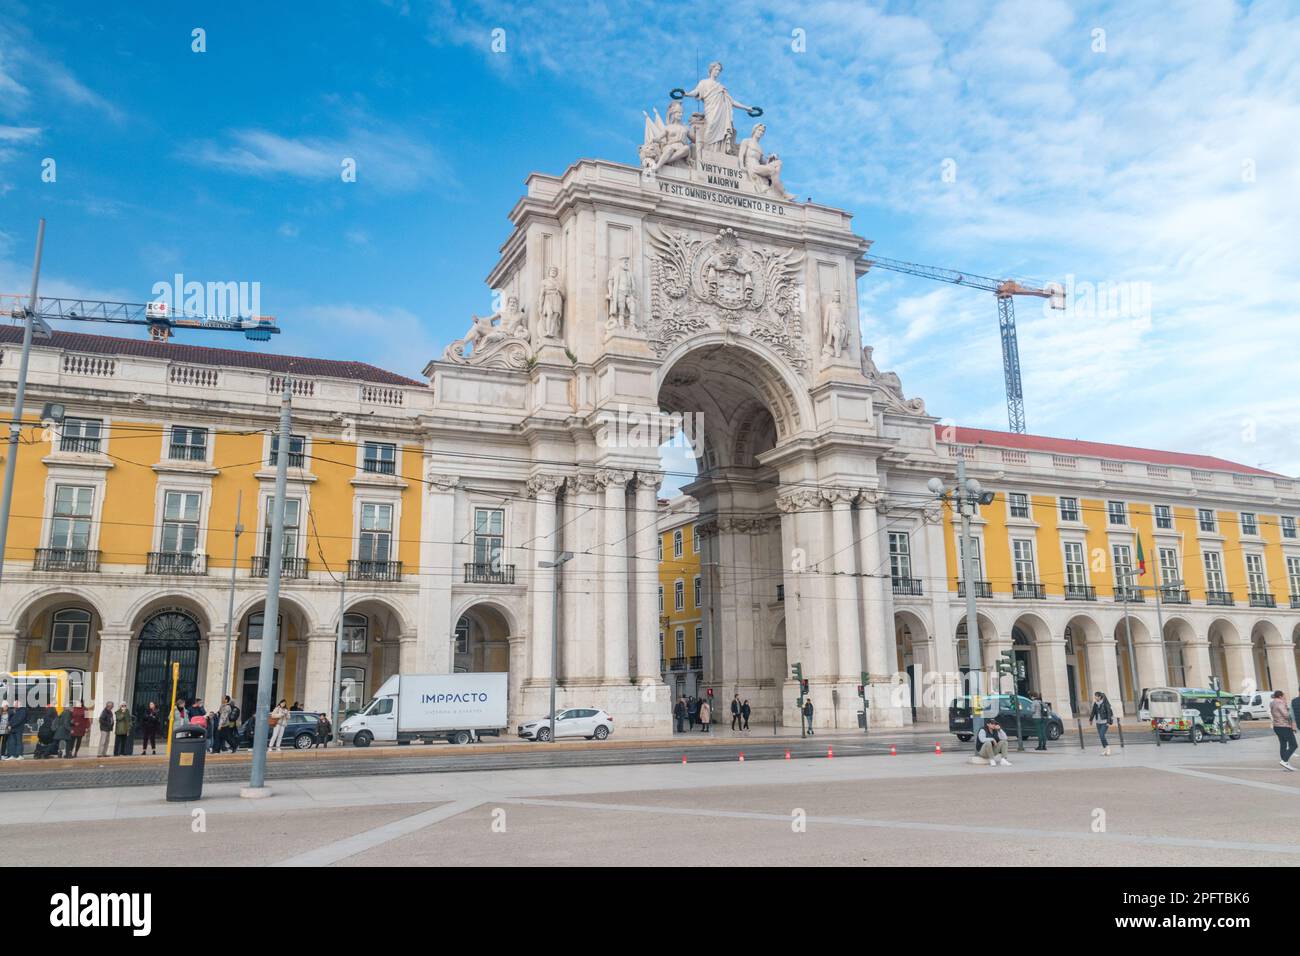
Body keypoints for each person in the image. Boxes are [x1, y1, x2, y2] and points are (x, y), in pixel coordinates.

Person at [1269, 690, 1296, 771]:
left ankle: (1285, 763)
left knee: (1283, 744)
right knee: (1293, 745)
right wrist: (1290, 712)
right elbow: (1286, 715)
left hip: (1277, 726)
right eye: (1284, 695)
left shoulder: (1272, 702)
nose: (1285, 696)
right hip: (1284, 726)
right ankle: (1284, 761)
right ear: (1280, 696)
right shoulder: (1280, 702)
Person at [1089, 691, 1113, 756]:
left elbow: (1109, 713)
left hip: (1104, 722)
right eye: (1095, 696)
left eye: (1096, 696)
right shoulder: (1095, 704)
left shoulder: (1105, 703)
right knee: (1101, 736)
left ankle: (1108, 749)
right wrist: (1090, 720)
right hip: (1098, 722)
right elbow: (1093, 712)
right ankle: (1105, 750)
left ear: (1099, 697)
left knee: (1102, 735)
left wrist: (1108, 722)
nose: (1095, 697)